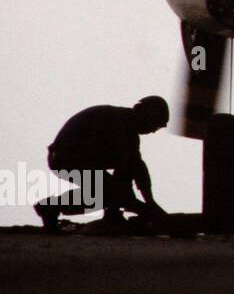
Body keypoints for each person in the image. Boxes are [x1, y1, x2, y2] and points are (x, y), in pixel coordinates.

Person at [34, 96, 170, 233]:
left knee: (117, 185)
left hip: (73, 158)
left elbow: (136, 168)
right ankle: (51, 207)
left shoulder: (126, 126)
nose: (153, 131)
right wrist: (147, 208)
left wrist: (148, 203)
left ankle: (112, 213)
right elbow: (128, 179)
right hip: (66, 159)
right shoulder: (121, 125)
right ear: (145, 115)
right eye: (155, 125)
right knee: (108, 193)